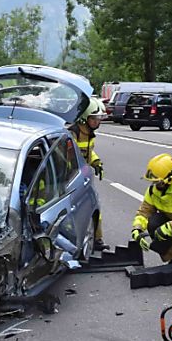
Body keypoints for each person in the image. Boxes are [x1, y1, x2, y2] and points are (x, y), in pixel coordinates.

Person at [71, 96, 107, 250]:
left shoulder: (89, 134)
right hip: (71, 179)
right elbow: (69, 158)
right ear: (85, 118)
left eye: (99, 119)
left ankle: (97, 240)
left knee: (94, 206)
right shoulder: (74, 134)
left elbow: (89, 152)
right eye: (94, 119)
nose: (97, 122)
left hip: (83, 177)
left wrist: (96, 162)